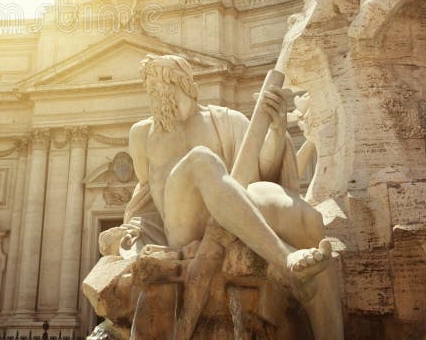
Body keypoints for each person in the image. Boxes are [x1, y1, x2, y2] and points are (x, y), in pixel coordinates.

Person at [118, 54, 341, 339]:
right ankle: (287, 260)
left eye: (159, 84)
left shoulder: (226, 119)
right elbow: (145, 194)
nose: (153, 93)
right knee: (201, 159)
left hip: (231, 212)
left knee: (307, 218)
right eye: (149, 87)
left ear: (183, 82)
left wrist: (275, 130)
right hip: (182, 226)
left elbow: (263, 169)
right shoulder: (143, 133)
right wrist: (134, 233)